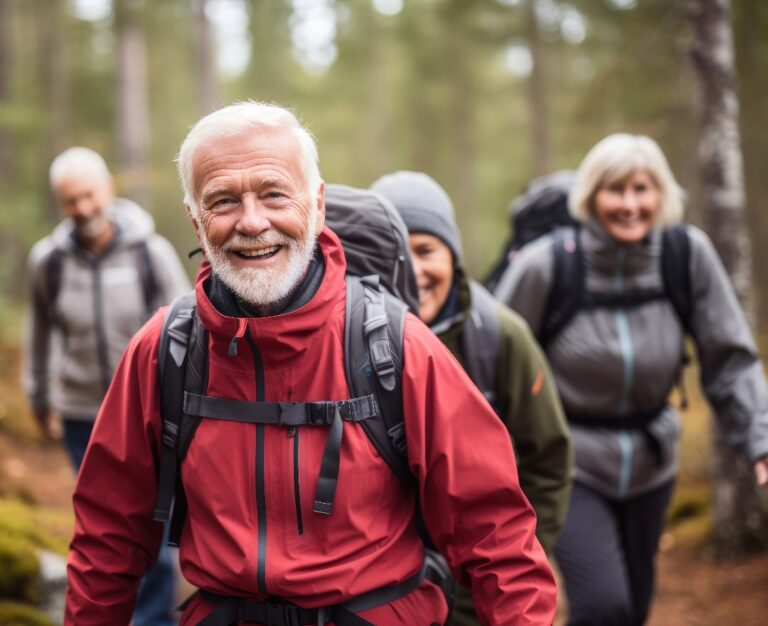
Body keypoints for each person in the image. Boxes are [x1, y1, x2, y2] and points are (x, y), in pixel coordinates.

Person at [64, 102, 557, 626]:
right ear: (195, 219)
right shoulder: (164, 351)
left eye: (274, 193)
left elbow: (497, 536)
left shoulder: (399, 348)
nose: (252, 222)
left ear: (316, 203)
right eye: (223, 201)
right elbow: (106, 540)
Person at [493, 133, 768, 626]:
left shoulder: (685, 257)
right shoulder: (549, 264)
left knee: (634, 608)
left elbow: (729, 358)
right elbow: (494, 360)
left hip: (652, 461)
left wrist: (760, 438)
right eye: (615, 190)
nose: (630, 204)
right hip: (568, 459)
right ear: (591, 196)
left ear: (661, 195)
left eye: (642, 189)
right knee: (604, 605)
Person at [370, 171, 572, 625]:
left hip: (475, 592)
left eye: (426, 251)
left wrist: (504, 574)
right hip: (375, 597)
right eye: (395, 252)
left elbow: (547, 462)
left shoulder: (500, 337)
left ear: (453, 257)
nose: (412, 269)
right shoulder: (343, 344)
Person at [24, 147, 190, 626]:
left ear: (108, 190)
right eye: (70, 200)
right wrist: (38, 397)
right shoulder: (48, 262)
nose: (83, 208)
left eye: (89, 195)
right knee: (104, 527)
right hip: (82, 416)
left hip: (148, 414)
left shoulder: (149, 252)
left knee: (154, 526)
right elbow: (38, 335)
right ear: (61, 204)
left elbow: (186, 325)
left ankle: (155, 619)